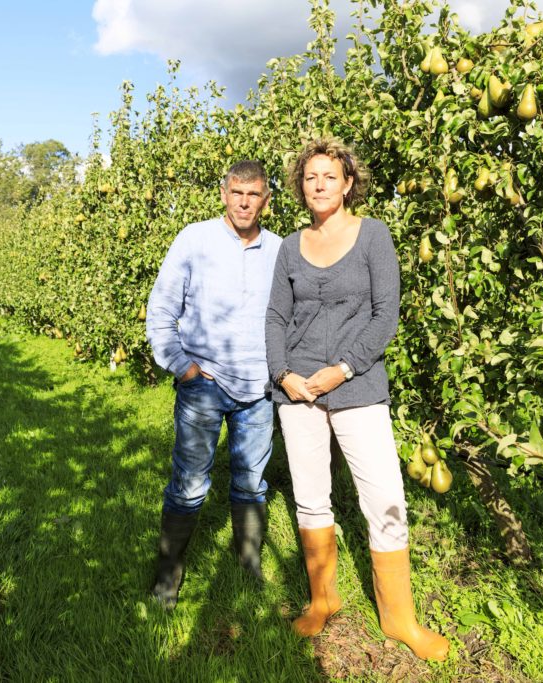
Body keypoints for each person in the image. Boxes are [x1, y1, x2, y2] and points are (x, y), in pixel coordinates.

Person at [265, 138, 449, 661]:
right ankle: (323, 598)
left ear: (348, 183)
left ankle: (399, 618)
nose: (319, 184)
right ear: (300, 187)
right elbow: (276, 318)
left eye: (329, 176)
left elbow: (384, 315)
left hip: (357, 386)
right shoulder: (289, 246)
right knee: (310, 495)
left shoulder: (373, 236)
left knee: (384, 496)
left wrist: (342, 369)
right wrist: (283, 375)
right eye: (309, 177)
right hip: (298, 392)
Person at [146, 160, 282, 608]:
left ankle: (248, 562)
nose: (245, 202)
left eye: (254, 194)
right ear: (224, 193)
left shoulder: (279, 250)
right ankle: (169, 572)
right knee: (189, 482)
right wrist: (182, 366)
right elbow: (162, 310)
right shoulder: (195, 239)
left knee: (251, 481)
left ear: (266, 198)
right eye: (237, 192)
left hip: (258, 389)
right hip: (203, 383)